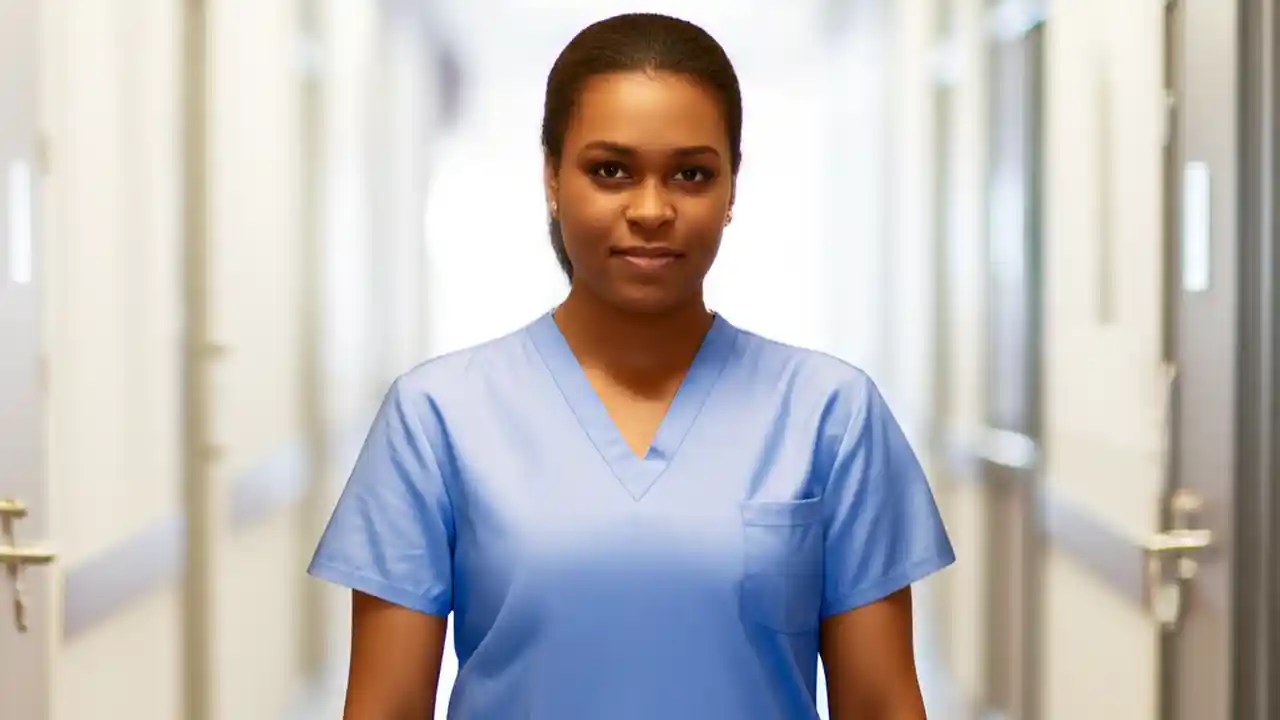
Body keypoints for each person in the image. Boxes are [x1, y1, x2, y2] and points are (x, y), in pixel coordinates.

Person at [308, 12, 955, 719]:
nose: (652, 210)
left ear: (732, 187)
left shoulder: (831, 415)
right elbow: (385, 708)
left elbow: (883, 702)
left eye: (691, 173)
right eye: (610, 170)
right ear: (552, 178)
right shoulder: (436, 419)